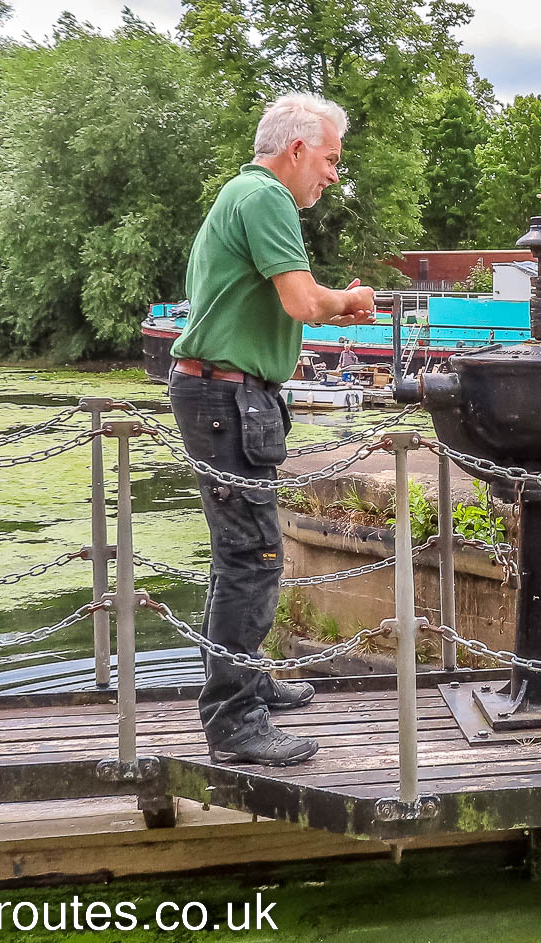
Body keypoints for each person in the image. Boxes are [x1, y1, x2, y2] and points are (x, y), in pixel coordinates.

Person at [168, 93, 376, 766]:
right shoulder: (265, 199)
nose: (333, 175)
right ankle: (235, 722)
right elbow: (302, 300)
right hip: (225, 396)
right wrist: (351, 301)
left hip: (225, 392)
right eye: (330, 159)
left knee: (241, 553)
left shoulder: (243, 195)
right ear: (295, 151)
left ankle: (246, 680)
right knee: (252, 555)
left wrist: (329, 305)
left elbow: (284, 302)